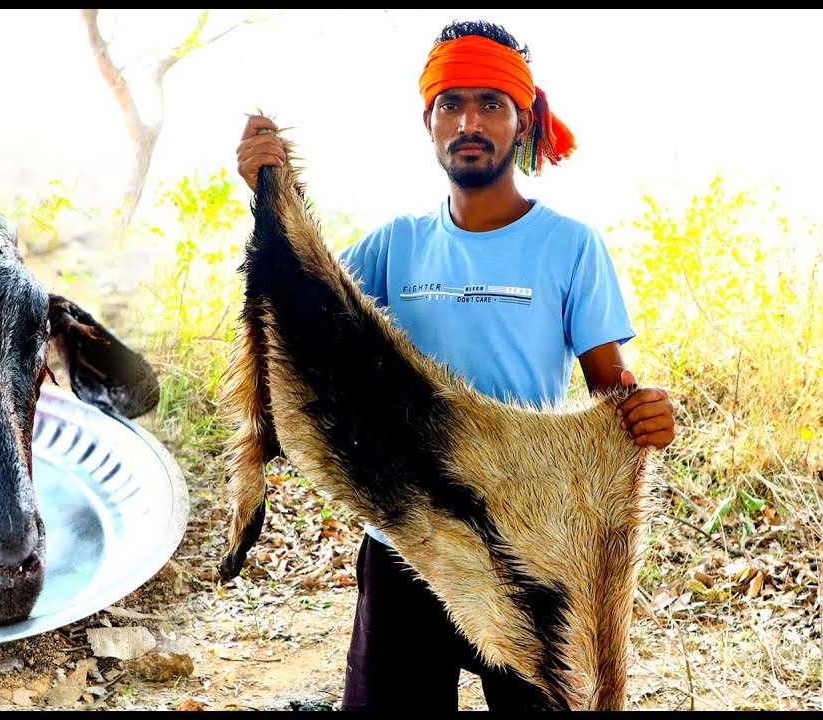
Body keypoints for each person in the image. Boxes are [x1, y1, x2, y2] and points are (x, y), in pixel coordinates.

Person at [233, 18, 677, 712]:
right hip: (408, 536)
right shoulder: (391, 247)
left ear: (524, 120)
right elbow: (312, 323)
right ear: (430, 120)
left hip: (527, 547)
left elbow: (610, 387)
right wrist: (270, 198)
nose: (470, 121)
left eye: (491, 103)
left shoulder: (571, 248)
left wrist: (645, 411)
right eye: (452, 103)